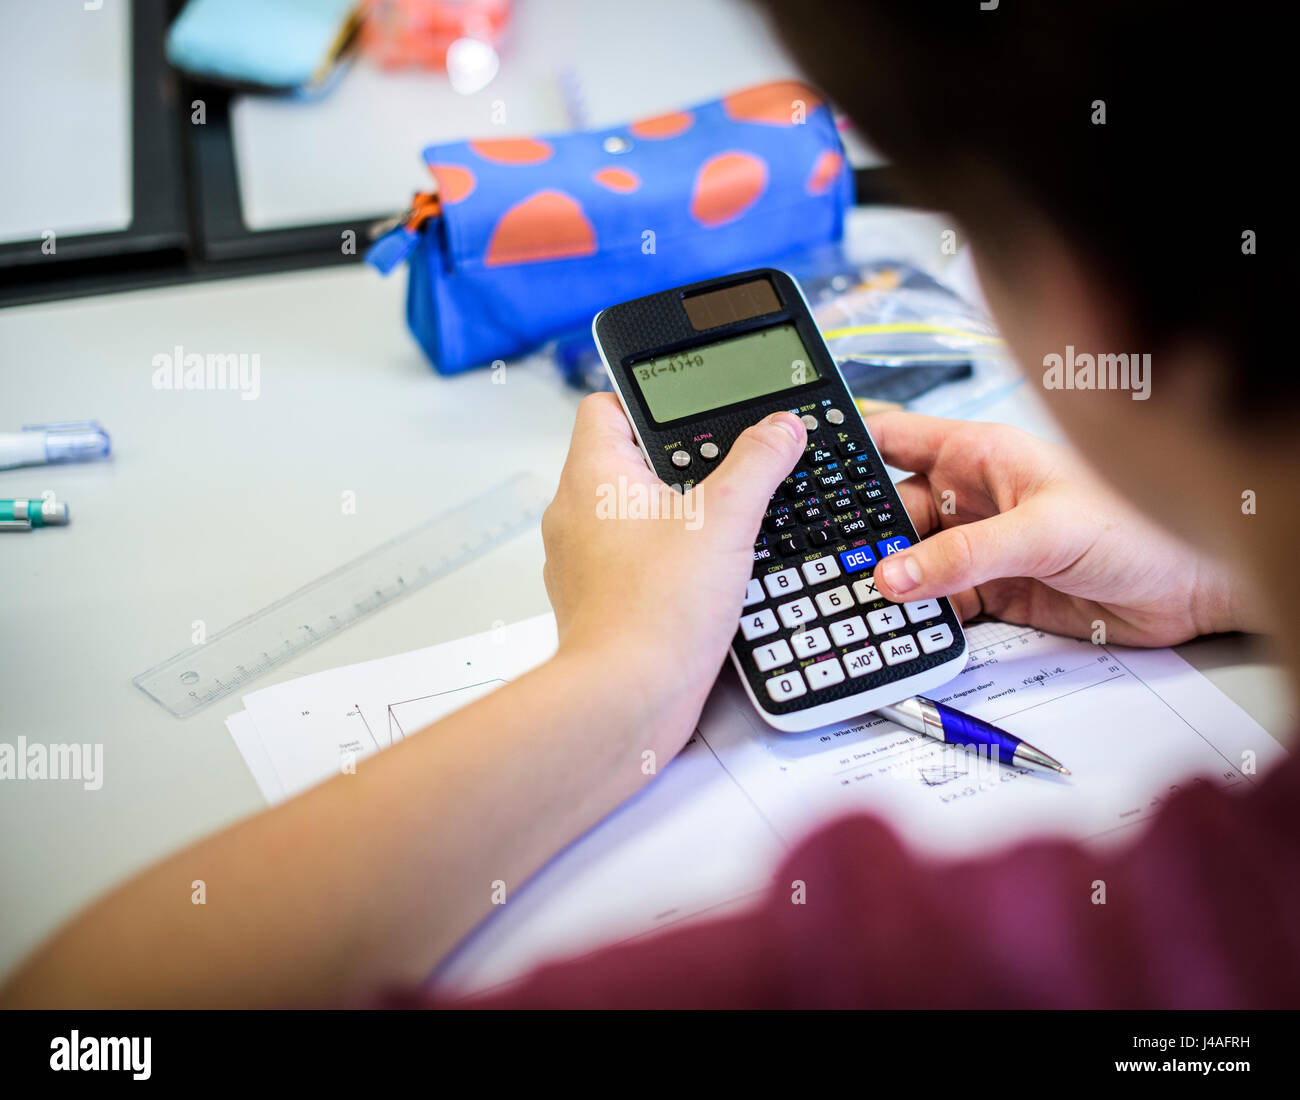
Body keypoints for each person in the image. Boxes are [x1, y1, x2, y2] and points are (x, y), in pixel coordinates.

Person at [2, 1, 1292, 1008]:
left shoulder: (977, 965)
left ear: (1081, 301)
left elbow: (89, 1016)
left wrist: (620, 679)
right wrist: (1209, 556)